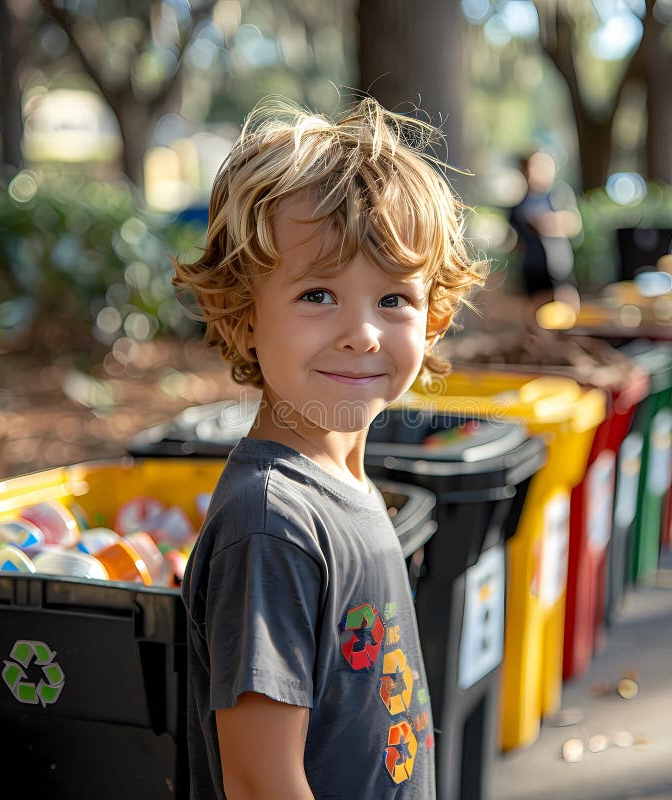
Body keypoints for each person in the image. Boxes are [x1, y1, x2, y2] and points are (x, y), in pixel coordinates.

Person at [172, 96, 488, 799]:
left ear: (432, 318)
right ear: (242, 314)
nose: (362, 334)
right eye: (318, 295)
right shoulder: (272, 523)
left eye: (392, 300)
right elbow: (260, 781)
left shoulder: (345, 485)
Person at [509, 150, 581, 306]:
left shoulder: (559, 195)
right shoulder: (520, 203)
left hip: (558, 264)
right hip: (533, 266)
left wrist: (545, 223)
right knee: (535, 309)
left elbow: (574, 224)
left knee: (564, 305)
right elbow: (515, 239)